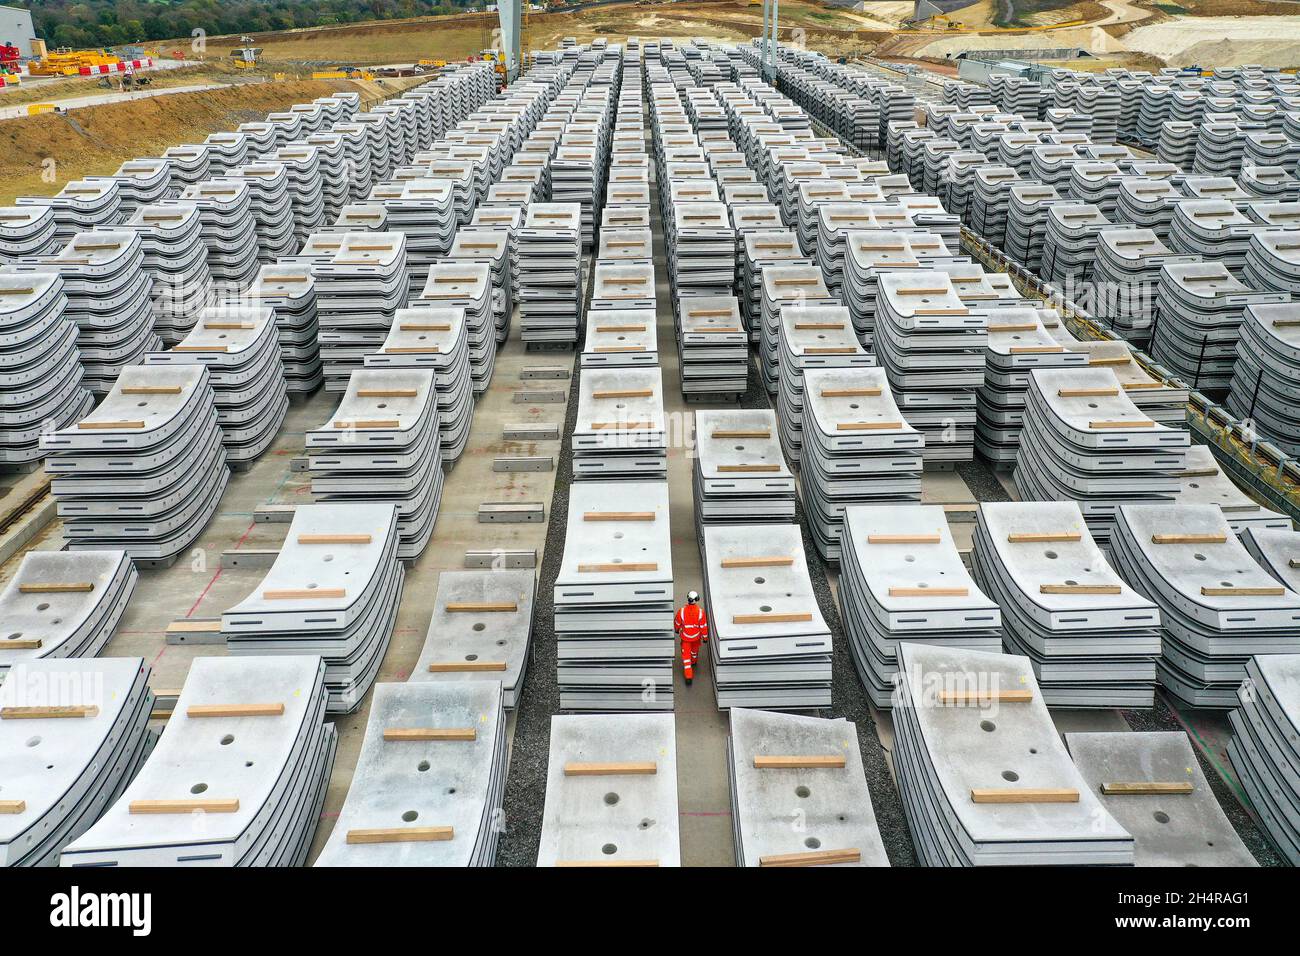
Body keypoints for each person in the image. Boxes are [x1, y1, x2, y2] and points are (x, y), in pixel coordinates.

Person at [673, 590, 709, 685]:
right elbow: (704, 627)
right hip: (696, 638)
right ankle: (694, 661)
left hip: (685, 639)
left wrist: (677, 629)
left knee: (686, 658)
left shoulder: (682, 611)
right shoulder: (700, 612)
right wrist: (705, 638)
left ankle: (688, 676)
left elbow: (677, 622)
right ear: (697, 599)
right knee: (694, 651)